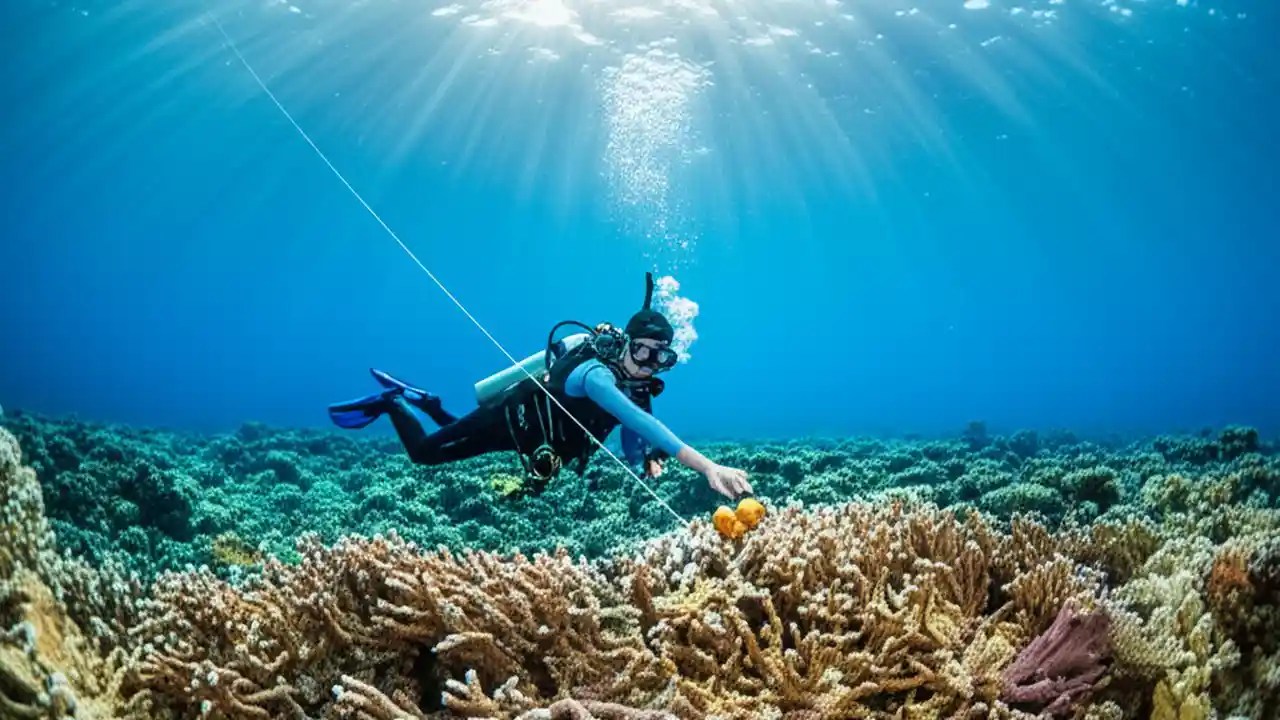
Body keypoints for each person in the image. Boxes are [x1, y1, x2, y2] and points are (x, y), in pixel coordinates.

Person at [327, 273, 752, 500]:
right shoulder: (598, 376)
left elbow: (634, 433)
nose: (649, 366)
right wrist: (709, 467)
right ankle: (393, 404)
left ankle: (431, 403)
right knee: (425, 455)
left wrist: (647, 461)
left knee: (461, 435)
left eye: (661, 358)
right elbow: (636, 419)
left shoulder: (635, 383)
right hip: (512, 417)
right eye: (643, 352)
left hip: (536, 440)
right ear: (625, 343)